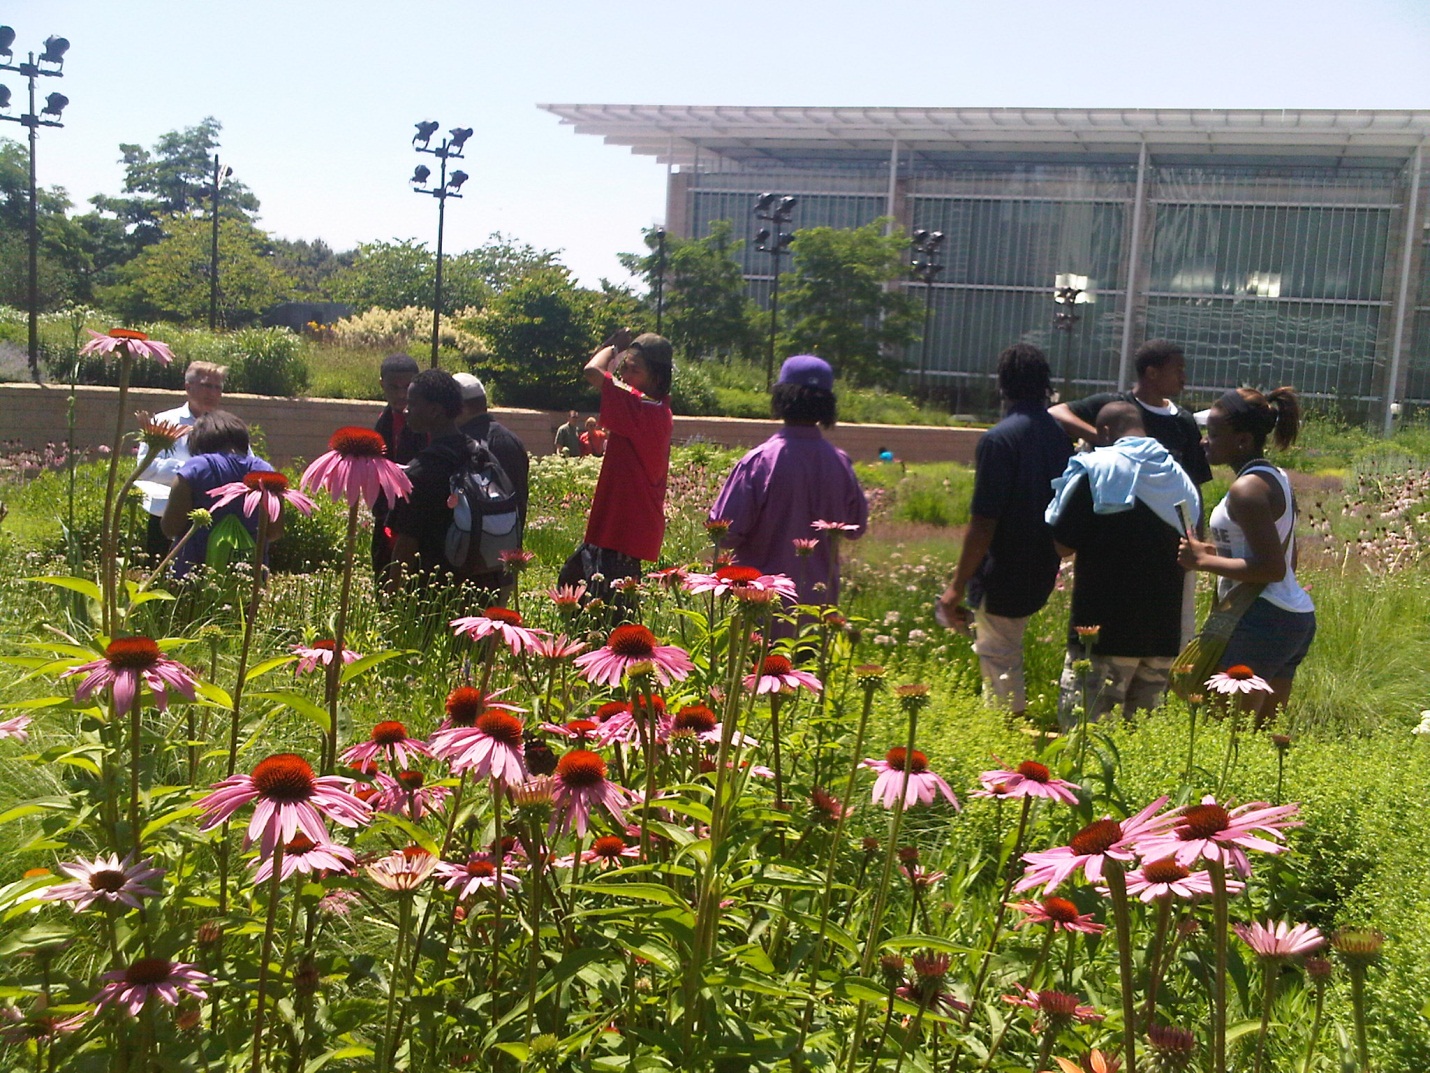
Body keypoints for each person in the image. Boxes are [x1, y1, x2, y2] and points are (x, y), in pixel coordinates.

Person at [936, 344, 1073, 717]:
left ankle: (1002, 739)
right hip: (1042, 562)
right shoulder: (1058, 437)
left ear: (1003, 385)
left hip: (1004, 567)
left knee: (999, 658)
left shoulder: (999, 439)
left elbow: (984, 521)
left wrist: (956, 585)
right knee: (1005, 647)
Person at [1049, 339, 1213, 645]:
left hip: (1168, 544)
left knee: (1170, 626)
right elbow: (1057, 412)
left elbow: (1194, 486)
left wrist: (1197, 539)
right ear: (1151, 372)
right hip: (1116, 541)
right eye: (1177, 370)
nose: (1184, 377)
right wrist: (1101, 440)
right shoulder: (1118, 407)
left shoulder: (1183, 422)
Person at [1046, 401, 1200, 723]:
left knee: (1086, 738)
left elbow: (1062, 546)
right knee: (1139, 745)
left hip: (1102, 636)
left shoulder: (1099, 469)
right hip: (1161, 639)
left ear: (1103, 432)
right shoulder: (1179, 477)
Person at [1177, 386, 1314, 726]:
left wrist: (1203, 562)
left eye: (1214, 434)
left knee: (1221, 730)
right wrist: (1214, 553)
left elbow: (1271, 567)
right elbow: (1284, 558)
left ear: (1242, 441)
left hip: (1261, 620)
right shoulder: (1275, 477)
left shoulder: (1246, 489)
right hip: (1290, 616)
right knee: (1264, 734)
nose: (1204, 441)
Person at [709, 354, 868, 606]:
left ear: (781, 398)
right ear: (828, 405)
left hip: (760, 607)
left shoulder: (760, 461)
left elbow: (724, 533)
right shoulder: (840, 463)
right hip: (819, 611)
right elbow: (857, 527)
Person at [557, 330, 673, 606]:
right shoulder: (653, 408)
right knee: (574, 589)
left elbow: (592, 371)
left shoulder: (642, 407)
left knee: (611, 614)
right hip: (617, 528)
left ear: (656, 378)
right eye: (624, 368)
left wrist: (614, 346)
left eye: (635, 370)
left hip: (622, 532)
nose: (625, 375)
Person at [385, 369, 504, 595]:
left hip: (433, 595)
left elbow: (405, 544)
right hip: (479, 584)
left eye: (413, 403)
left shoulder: (420, 472)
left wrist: (391, 599)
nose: (406, 410)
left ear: (434, 410)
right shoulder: (481, 455)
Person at [161, 410, 279, 578]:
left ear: (199, 442)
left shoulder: (194, 469)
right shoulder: (266, 472)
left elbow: (170, 527)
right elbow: (275, 531)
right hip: (246, 582)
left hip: (191, 578)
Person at [136, 360, 229, 560]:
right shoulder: (162, 422)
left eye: (217, 387)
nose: (212, 392)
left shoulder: (229, 429)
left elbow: (245, 465)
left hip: (214, 519)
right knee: (158, 579)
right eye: (206, 385)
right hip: (166, 517)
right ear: (188, 387)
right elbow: (146, 468)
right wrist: (193, 472)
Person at [455, 372, 530, 535]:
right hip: (510, 539)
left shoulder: (463, 443)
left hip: (474, 545)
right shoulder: (513, 439)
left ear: (460, 408)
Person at [372, 354, 426, 578]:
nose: (401, 394)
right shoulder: (382, 421)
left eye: (407, 387)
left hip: (417, 517)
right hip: (386, 513)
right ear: (382, 384)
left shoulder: (426, 421)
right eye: (393, 387)